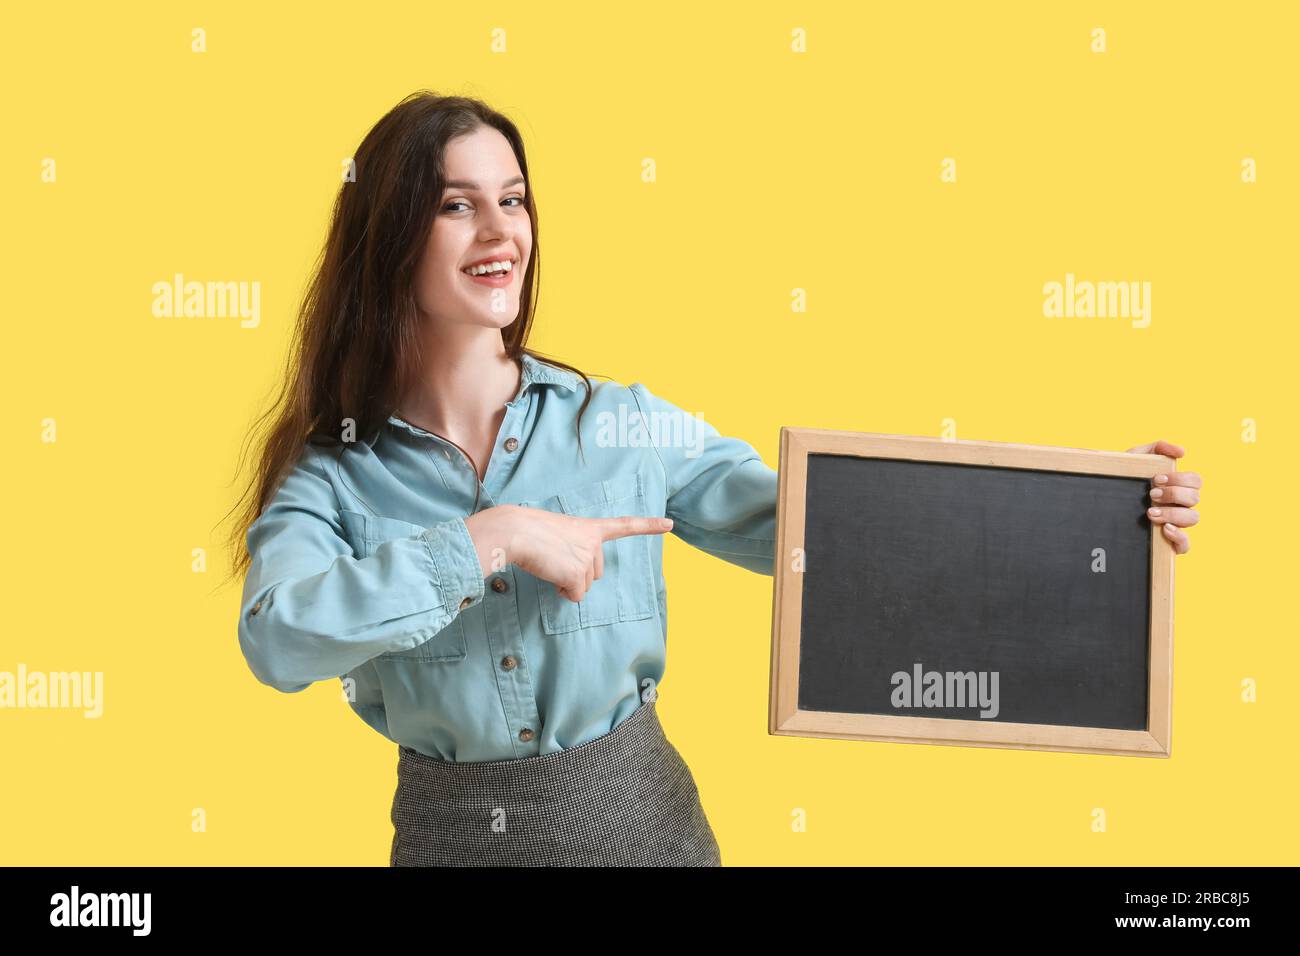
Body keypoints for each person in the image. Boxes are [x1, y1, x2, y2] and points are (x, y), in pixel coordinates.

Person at [226, 91, 1203, 867]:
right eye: (456, 202)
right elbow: (278, 639)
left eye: (512, 197)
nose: (500, 227)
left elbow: (823, 528)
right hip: (445, 847)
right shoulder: (336, 470)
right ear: (391, 234)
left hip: (648, 839)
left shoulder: (622, 423)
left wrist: (1095, 509)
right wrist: (493, 537)